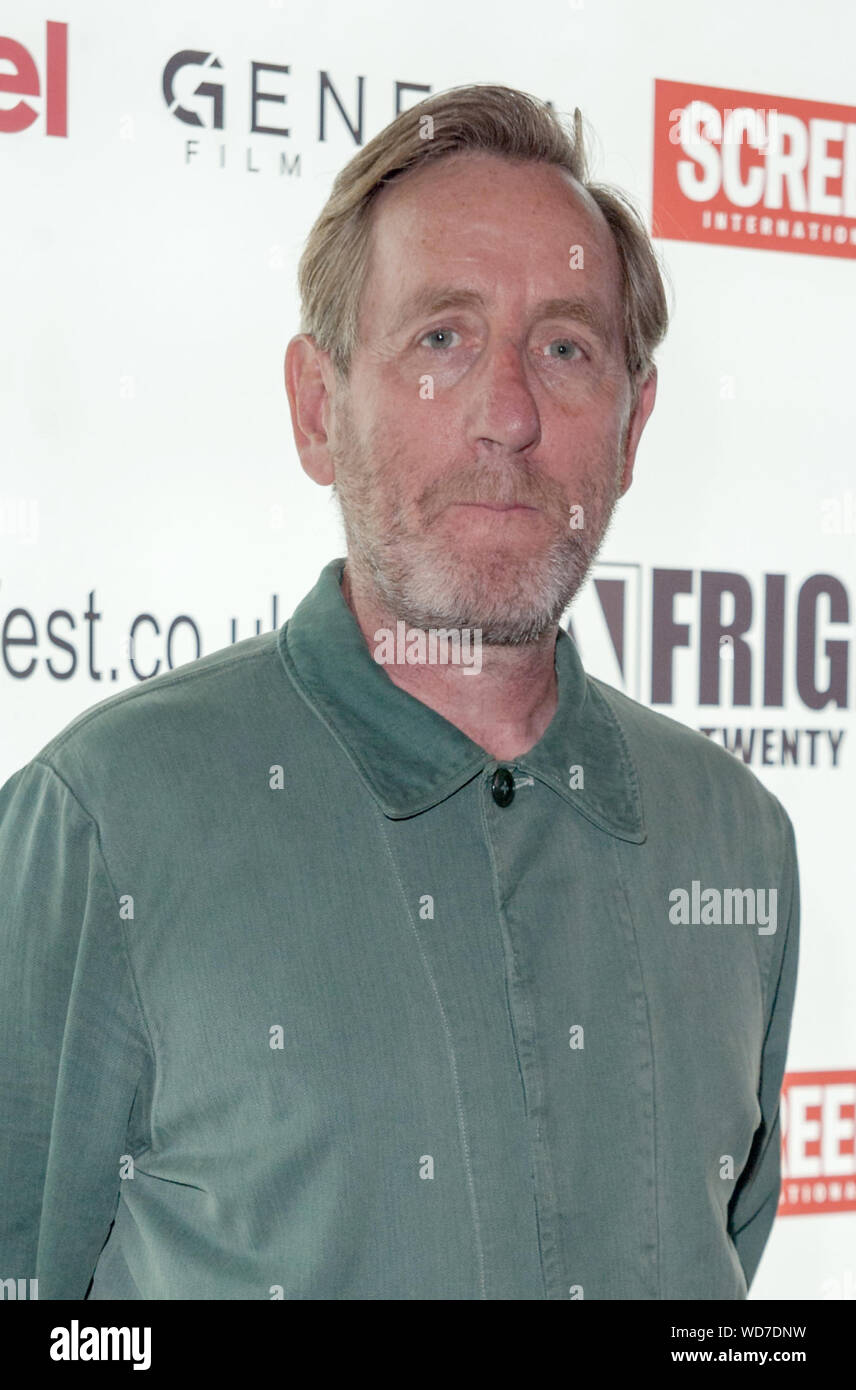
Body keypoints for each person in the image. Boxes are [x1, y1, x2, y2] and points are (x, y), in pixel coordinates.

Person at [0, 84, 799, 1300]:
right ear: (319, 410)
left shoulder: (735, 836)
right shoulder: (99, 824)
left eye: (565, 347)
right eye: (442, 337)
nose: (507, 415)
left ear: (632, 432)